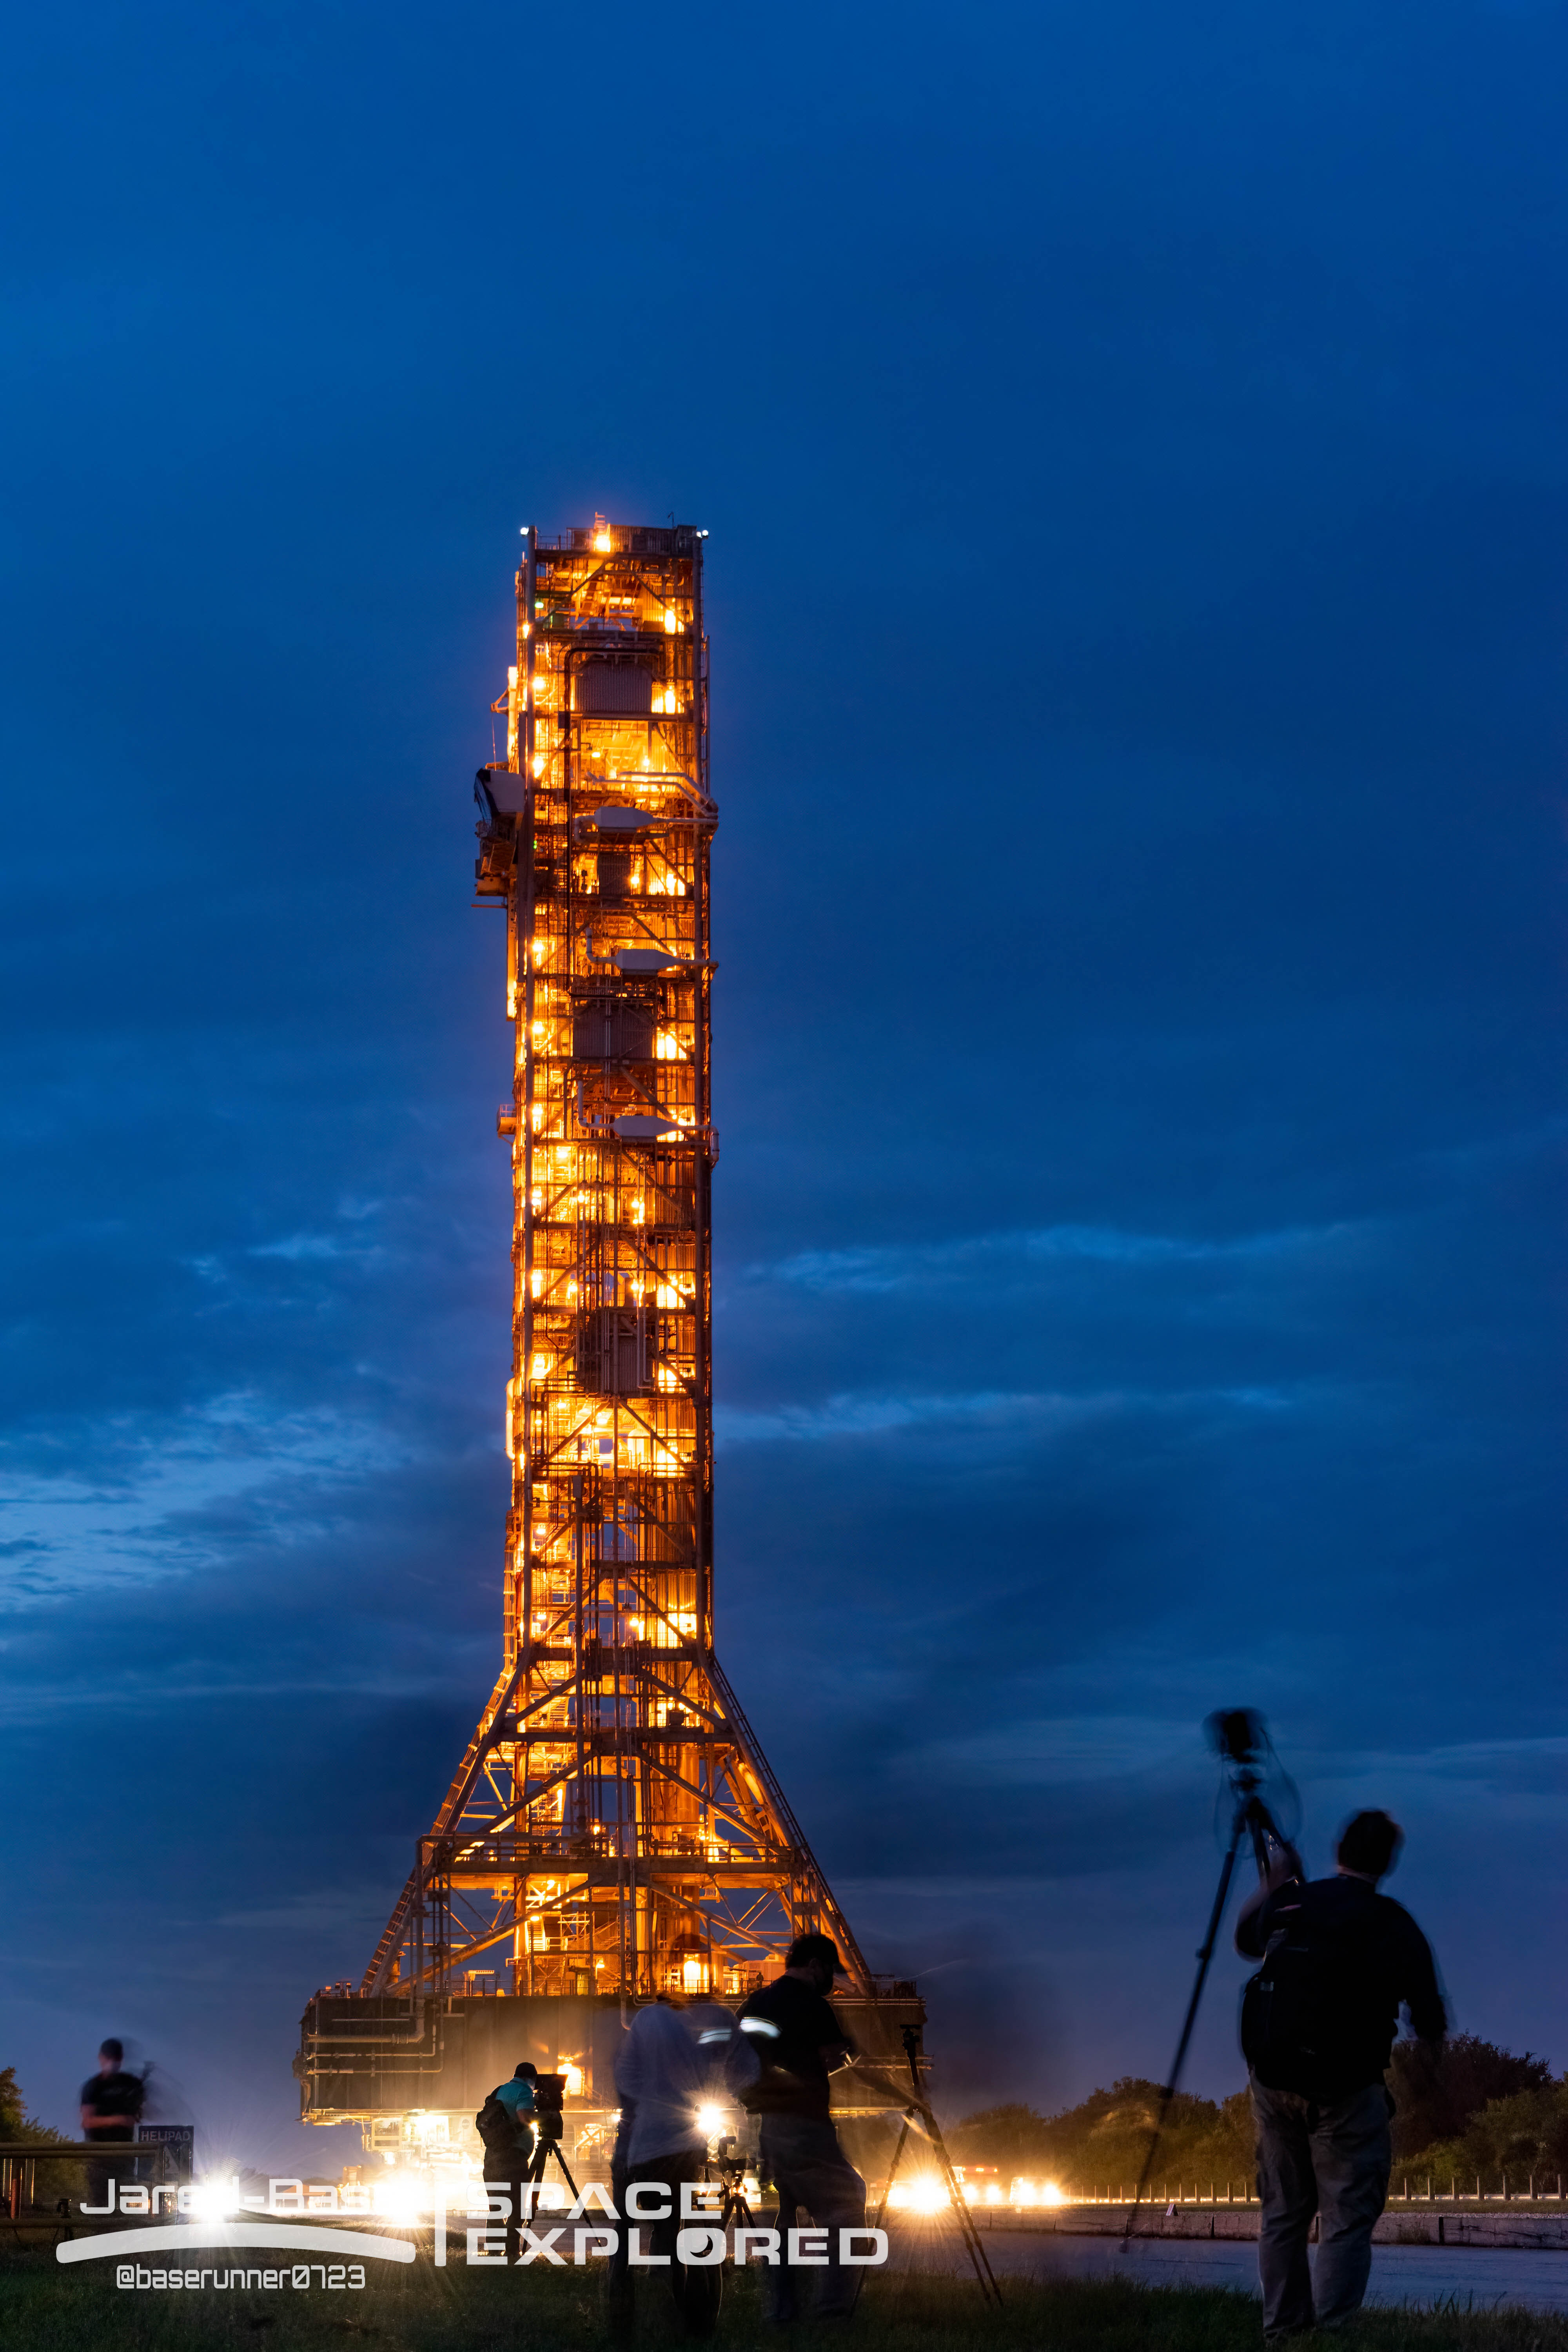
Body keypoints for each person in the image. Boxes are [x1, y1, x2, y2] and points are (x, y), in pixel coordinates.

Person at [1236, 1809, 1446, 2341]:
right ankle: (1329, 2338)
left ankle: (1283, 2334)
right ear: (1388, 1862)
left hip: (1272, 2082)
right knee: (1346, 2219)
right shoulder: (1393, 1923)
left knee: (1283, 2214)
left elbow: (1245, 1941)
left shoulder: (1295, 1903)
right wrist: (1432, 2082)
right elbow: (1429, 2018)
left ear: (1338, 1850)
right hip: (1348, 2090)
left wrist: (1273, 1882)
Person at [607, 1993, 758, 2343]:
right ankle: (676, 2315)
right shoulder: (717, 2017)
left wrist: (642, 2108)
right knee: (674, 2230)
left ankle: (621, 2318)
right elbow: (745, 2071)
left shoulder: (648, 2018)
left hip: (638, 2142)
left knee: (624, 2229)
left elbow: (625, 2076)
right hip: (681, 2144)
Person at [739, 1933, 866, 2325]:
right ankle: (832, 2309)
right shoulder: (814, 2005)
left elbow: (740, 2060)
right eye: (829, 1970)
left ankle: (782, 2311)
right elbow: (836, 2056)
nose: (831, 1979)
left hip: (768, 2127)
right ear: (814, 1965)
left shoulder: (755, 2002)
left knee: (784, 2216)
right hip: (807, 2124)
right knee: (847, 2202)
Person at [477, 2062, 537, 2263]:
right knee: (517, 2207)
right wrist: (543, 2116)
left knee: (497, 2207)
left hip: (493, 2156)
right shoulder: (524, 2091)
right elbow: (525, 2117)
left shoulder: (500, 2090)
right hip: (513, 2157)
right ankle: (512, 2252)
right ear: (532, 2079)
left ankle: (495, 2252)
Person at [80, 2040, 145, 2217]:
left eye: (115, 2058)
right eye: (109, 2057)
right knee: (102, 2210)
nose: (112, 2062)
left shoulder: (131, 2084)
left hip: (124, 2158)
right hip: (100, 2159)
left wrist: (135, 2110)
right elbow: (87, 2121)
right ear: (101, 2058)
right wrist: (118, 2120)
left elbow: (141, 2112)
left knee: (124, 2212)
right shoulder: (94, 2086)